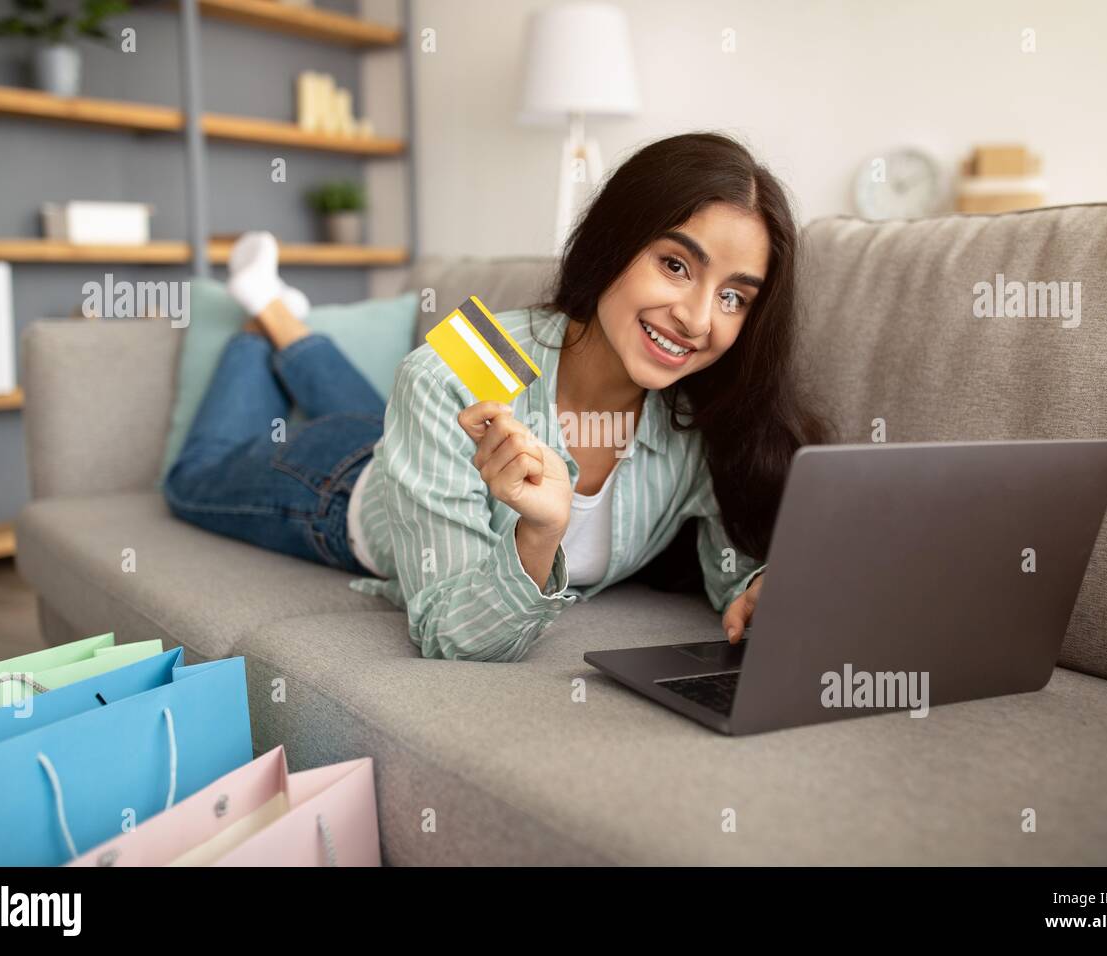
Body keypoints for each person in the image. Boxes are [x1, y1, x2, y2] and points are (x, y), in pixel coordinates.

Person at [164, 131, 827, 662]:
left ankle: (285, 318)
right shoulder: (459, 367)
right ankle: (263, 320)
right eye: (676, 265)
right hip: (343, 489)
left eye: (734, 296)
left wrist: (756, 587)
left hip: (415, 447)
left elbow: (730, 553)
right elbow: (451, 634)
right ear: (615, 242)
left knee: (381, 412)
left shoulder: (701, 417)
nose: (698, 318)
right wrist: (539, 532)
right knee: (192, 476)